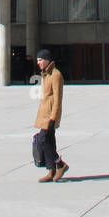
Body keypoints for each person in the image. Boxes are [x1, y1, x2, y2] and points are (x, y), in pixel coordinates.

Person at [34, 49, 68, 182]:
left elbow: (58, 99)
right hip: (44, 113)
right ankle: (51, 170)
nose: (39, 63)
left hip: (50, 115)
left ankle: (60, 164)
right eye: (37, 61)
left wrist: (53, 118)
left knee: (43, 140)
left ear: (47, 60)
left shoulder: (56, 75)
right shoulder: (45, 75)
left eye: (40, 60)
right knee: (49, 141)